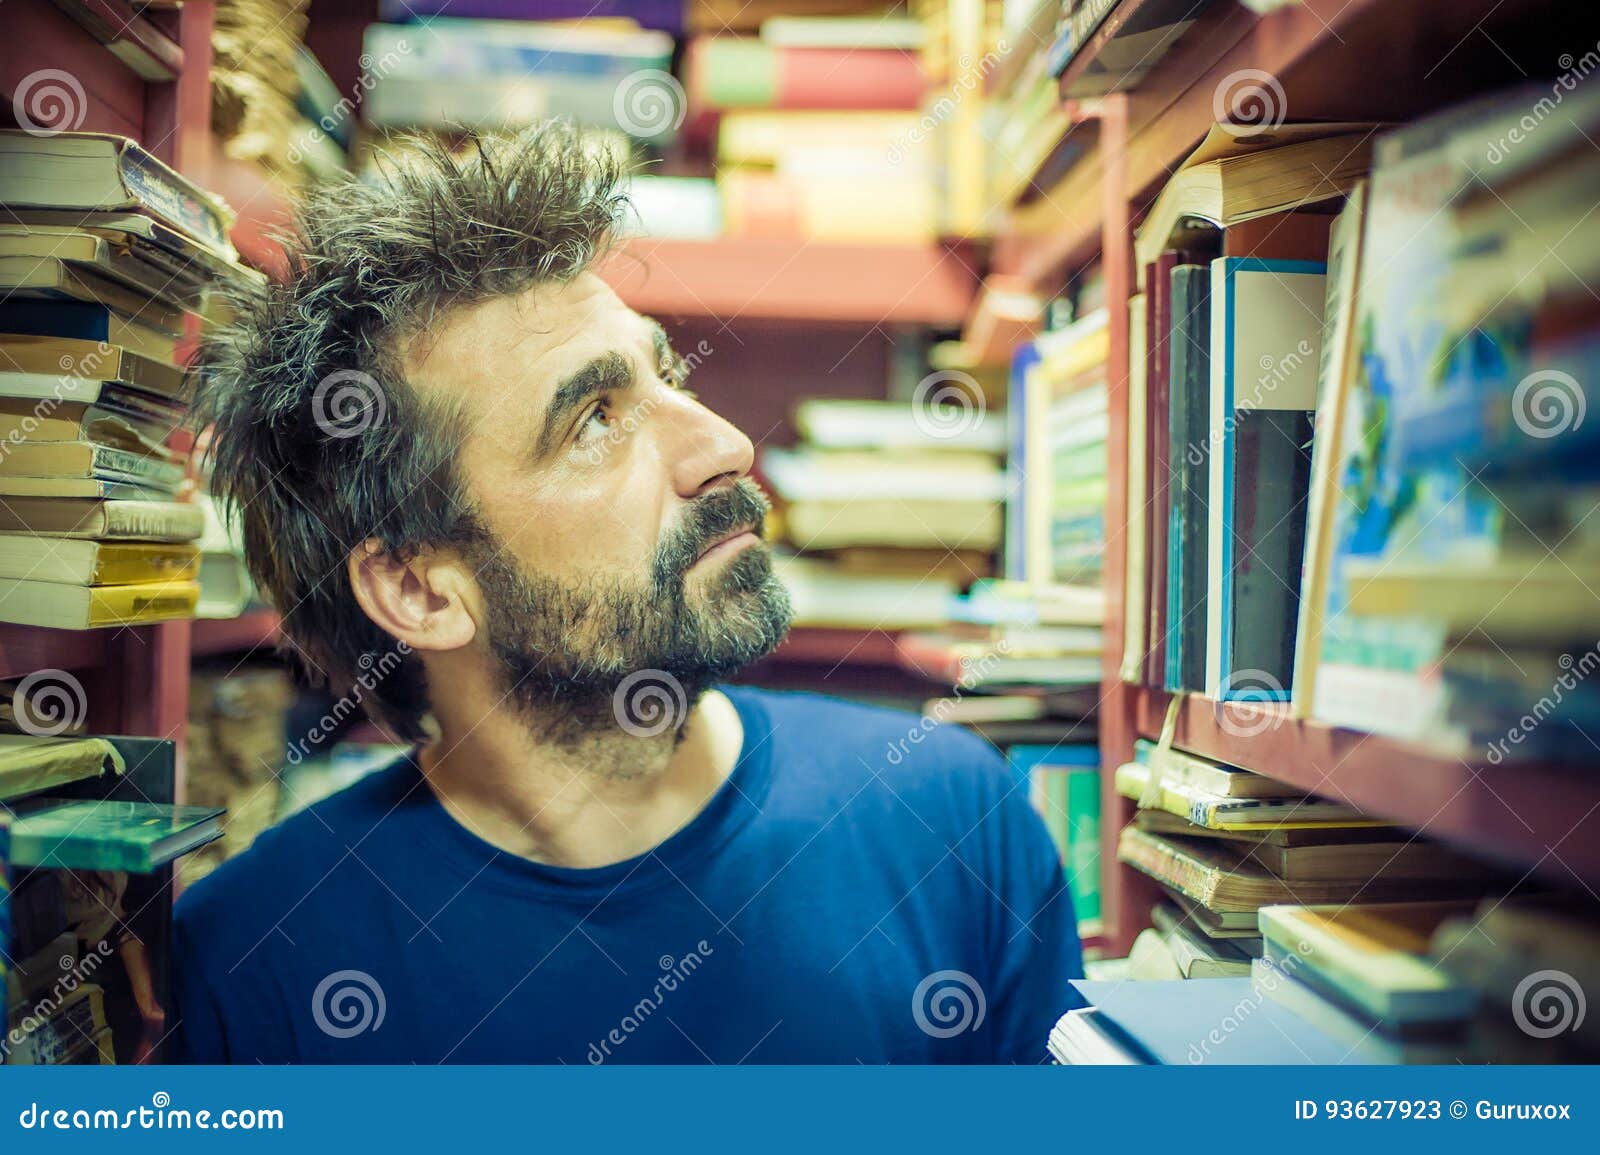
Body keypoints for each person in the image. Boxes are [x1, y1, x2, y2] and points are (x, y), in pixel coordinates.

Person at [171, 124, 1083, 1064]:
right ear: (414, 588)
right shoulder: (258, 960)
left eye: (668, 372)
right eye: (594, 420)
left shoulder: (950, 823)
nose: (726, 445)